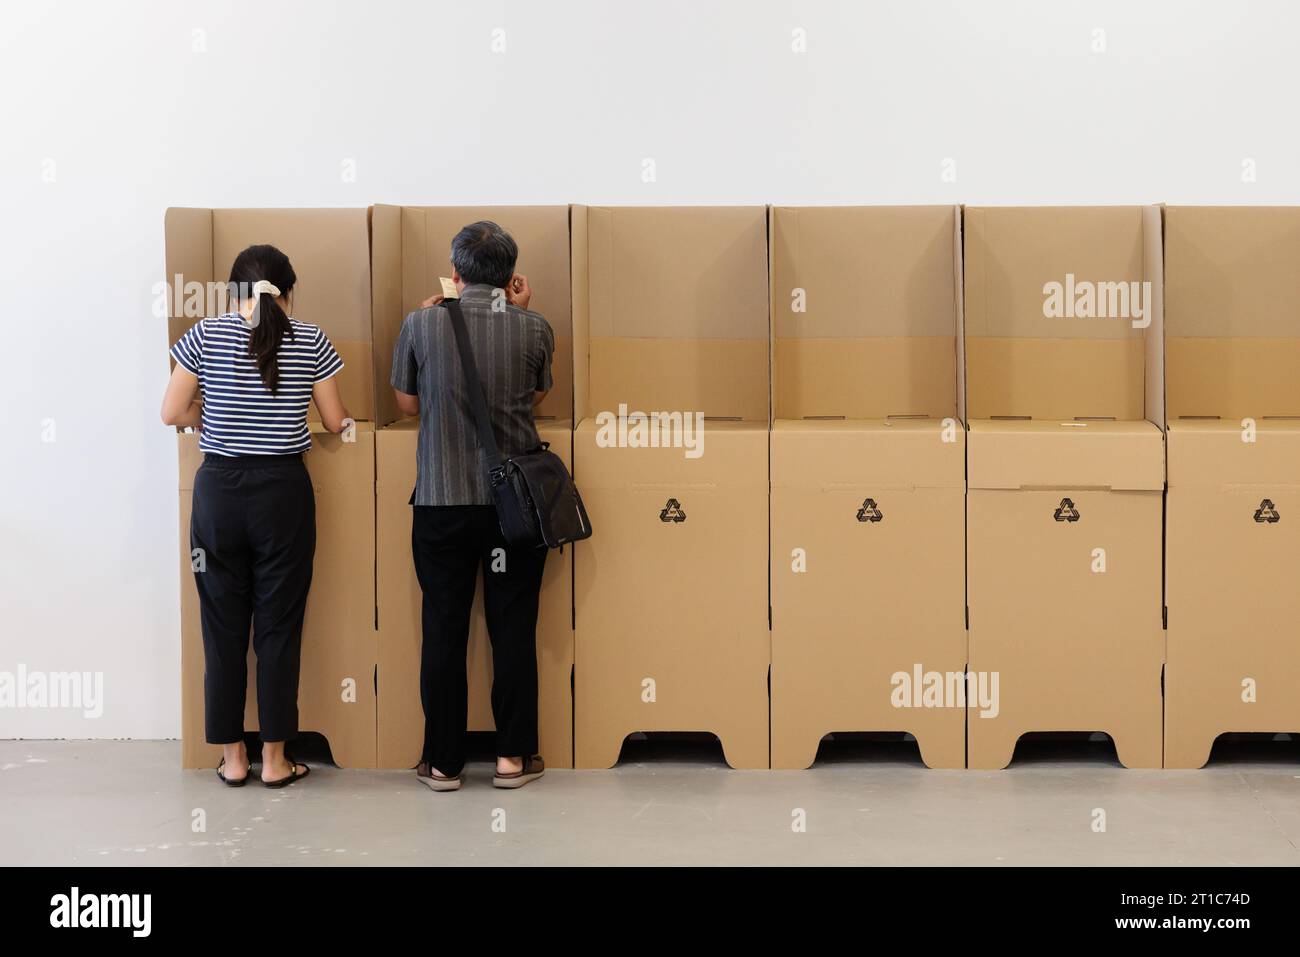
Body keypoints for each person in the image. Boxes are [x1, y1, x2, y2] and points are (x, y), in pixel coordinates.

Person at [161, 244, 352, 788]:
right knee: (279, 628)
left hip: (219, 491)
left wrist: (212, 409)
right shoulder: (311, 339)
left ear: (232, 294)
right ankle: (274, 760)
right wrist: (339, 423)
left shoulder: (204, 335)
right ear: (289, 292)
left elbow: (171, 412)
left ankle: (232, 758)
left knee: (220, 628)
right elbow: (335, 419)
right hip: (283, 494)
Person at [391, 221, 555, 791]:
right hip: (512, 507)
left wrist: (429, 321)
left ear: (455, 274)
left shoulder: (420, 322)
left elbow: (407, 405)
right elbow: (531, 397)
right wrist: (524, 311)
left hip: (441, 503)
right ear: (512, 277)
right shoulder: (535, 327)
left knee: (444, 629)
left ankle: (443, 763)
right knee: (513, 628)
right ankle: (512, 758)